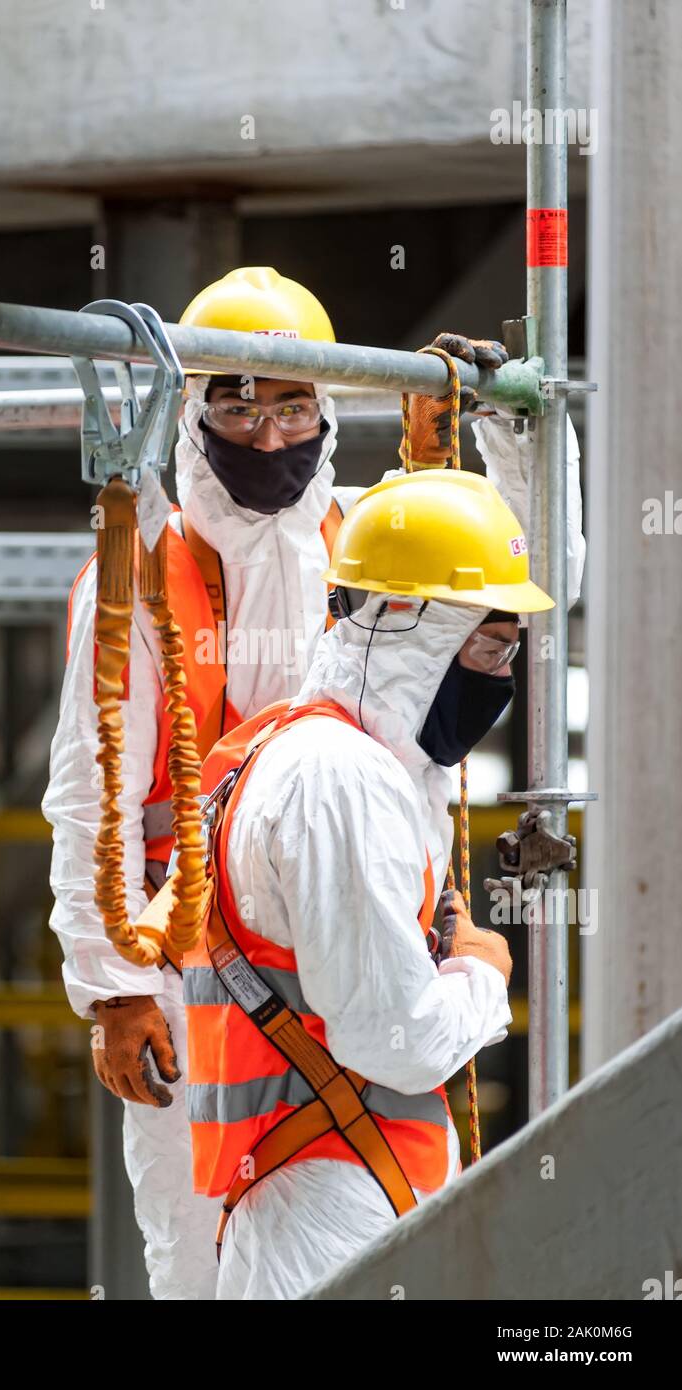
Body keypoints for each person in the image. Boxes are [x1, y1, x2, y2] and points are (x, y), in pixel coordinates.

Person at [42, 273, 583, 1298]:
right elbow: (92, 794)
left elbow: (511, 580)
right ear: (194, 410)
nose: (268, 430)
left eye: (293, 404)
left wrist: (499, 437)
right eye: (239, 404)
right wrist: (111, 988)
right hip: (187, 957)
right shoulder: (147, 572)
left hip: (345, 926)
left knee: (352, 1208)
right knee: (197, 1242)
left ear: (327, 412)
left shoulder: (356, 543)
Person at [183, 469, 557, 1300]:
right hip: (331, 1199)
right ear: (409, 630)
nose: (498, 678)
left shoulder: (285, 748)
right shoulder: (337, 781)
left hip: (320, 1191)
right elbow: (396, 1040)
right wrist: (482, 975)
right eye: (489, 648)